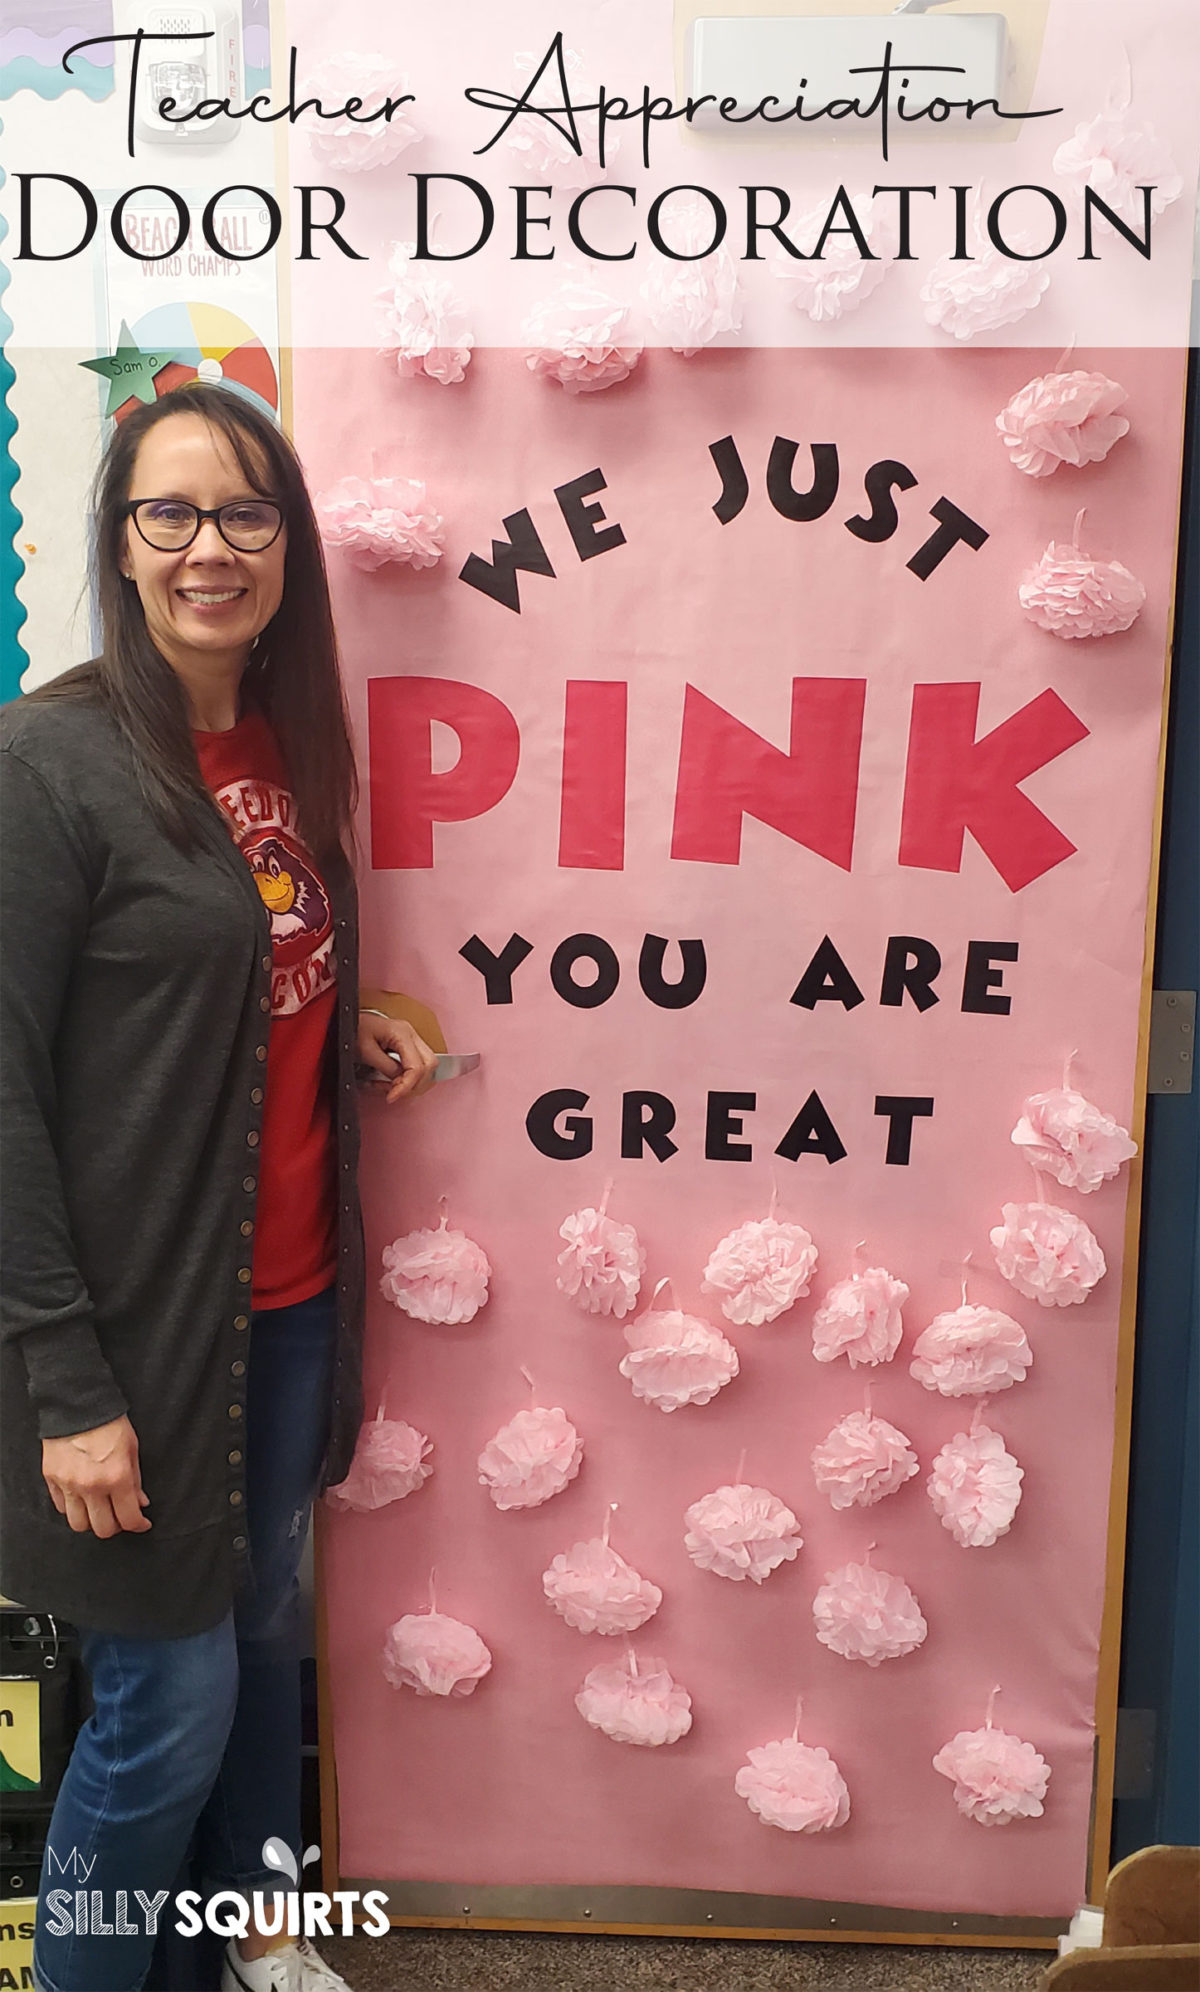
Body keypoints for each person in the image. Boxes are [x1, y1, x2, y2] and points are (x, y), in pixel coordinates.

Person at [0, 381, 437, 1992]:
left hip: (297, 1301)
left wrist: (352, 1028)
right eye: (169, 513)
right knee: (164, 1706)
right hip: (135, 1336)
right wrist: (65, 1384)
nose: (209, 548)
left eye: (246, 513)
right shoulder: (44, 763)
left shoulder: (292, 743)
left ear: (288, 547)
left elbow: (242, 981)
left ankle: (255, 1929)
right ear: (119, 546)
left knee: (261, 1645)